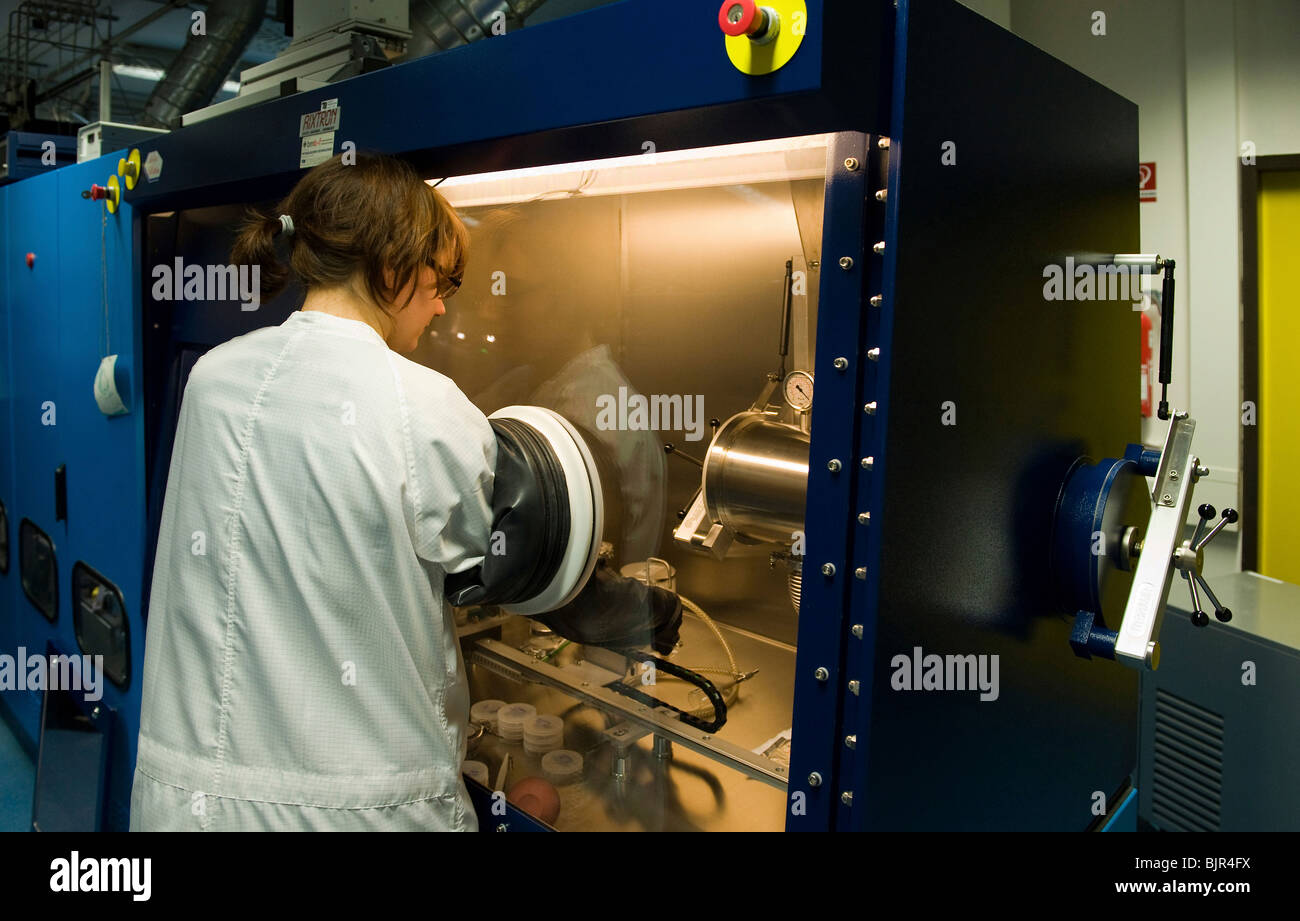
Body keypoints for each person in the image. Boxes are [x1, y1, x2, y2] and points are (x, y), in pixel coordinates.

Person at [130, 152, 495, 831]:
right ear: (392, 269)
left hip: (189, 802)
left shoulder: (213, 377)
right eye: (443, 278)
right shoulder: (429, 405)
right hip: (363, 811)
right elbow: (484, 560)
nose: (443, 303)